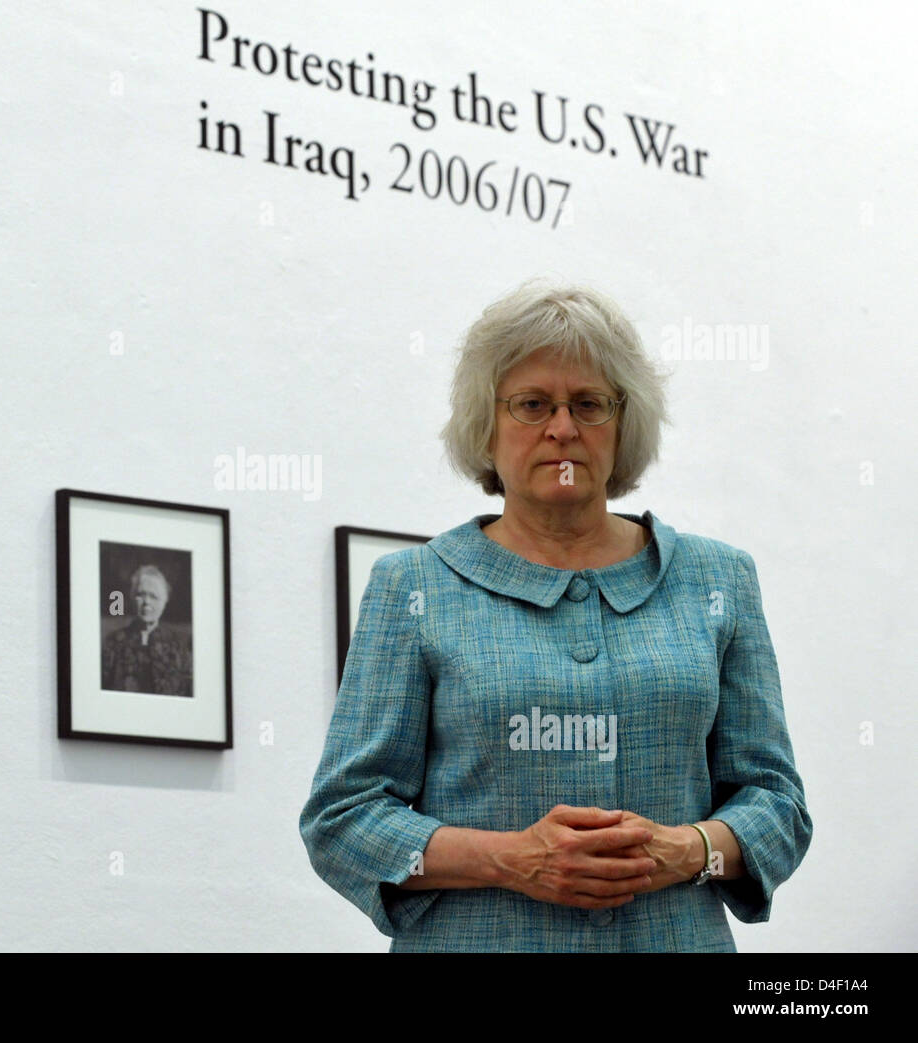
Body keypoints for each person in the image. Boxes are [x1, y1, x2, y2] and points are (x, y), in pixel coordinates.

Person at [299, 281, 812, 952]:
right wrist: (511, 858)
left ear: (624, 424)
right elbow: (343, 821)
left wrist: (686, 850)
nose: (563, 428)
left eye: (589, 403)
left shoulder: (717, 580)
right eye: (532, 403)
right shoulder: (413, 586)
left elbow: (777, 806)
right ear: (486, 423)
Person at [101, 565, 193, 697]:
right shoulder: (113, 643)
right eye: (140, 595)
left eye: (154, 596)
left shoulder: (179, 647)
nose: (146, 602)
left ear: (164, 601)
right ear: (132, 597)